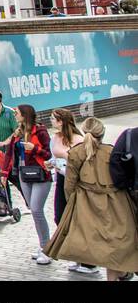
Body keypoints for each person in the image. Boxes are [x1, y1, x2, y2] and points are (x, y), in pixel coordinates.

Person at [45, 117, 138, 281]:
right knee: (115, 245)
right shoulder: (111, 151)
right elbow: (121, 177)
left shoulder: (75, 153)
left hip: (86, 203)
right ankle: (120, 275)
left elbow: (69, 185)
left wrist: (74, 204)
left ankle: (119, 273)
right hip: (116, 203)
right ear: (102, 134)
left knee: (93, 242)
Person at [1, 104, 54, 265]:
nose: (14, 115)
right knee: (33, 209)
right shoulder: (17, 132)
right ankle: (43, 245)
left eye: (16, 113)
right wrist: (4, 174)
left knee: (37, 210)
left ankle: (47, 249)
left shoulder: (40, 131)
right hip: (23, 175)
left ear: (25, 115)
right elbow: (9, 154)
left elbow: (49, 154)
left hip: (40, 174)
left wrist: (35, 148)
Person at [49, 109, 97, 275]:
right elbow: (54, 156)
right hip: (61, 178)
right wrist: (52, 163)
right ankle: (77, 255)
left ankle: (89, 261)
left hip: (75, 181)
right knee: (60, 217)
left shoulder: (78, 139)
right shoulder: (55, 137)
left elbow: (83, 161)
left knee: (79, 220)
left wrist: (65, 156)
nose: (51, 121)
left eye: (54, 119)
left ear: (61, 121)